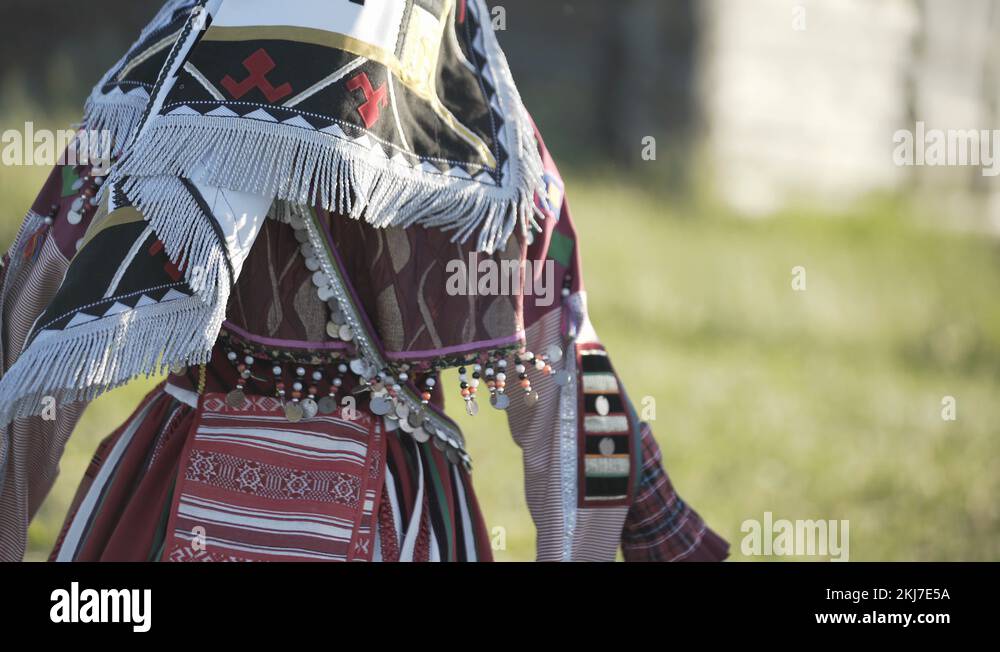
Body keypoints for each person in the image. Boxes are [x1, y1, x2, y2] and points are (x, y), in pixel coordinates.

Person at [0, 0, 728, 562]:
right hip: (396, 511)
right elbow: (561, 370)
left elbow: (34, 326)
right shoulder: (481, 137)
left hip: (168, 490)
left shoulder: (165, 77)